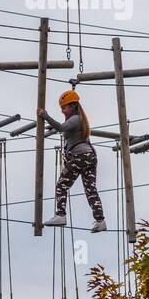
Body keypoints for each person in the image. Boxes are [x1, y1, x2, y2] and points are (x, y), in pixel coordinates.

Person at [39, 89, 107, 233]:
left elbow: (62, 127)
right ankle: (100, 221)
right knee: (90, 190)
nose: (63, 111)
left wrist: (46, 116)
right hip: (89, 157)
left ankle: (61, 215)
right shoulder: (77, 120)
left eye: (64, 107)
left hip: (80, 156)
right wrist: (52, 126)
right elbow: (64, 128)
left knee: (61, 185)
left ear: (73, 106)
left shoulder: (76, 118)